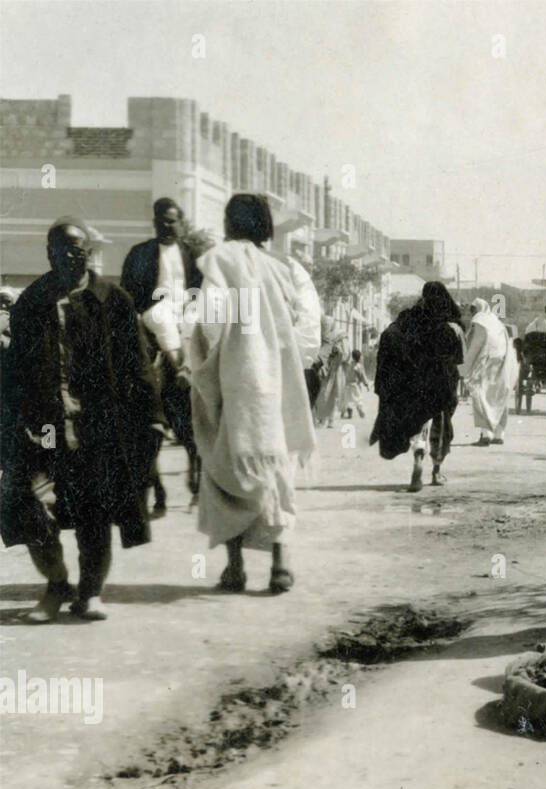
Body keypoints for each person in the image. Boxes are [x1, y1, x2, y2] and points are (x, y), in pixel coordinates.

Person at [0, 217, 163, 622]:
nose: (68, 256)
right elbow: (13, 369)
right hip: (45, 427)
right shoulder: (32, 302)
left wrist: (153, 416)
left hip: (98, 425)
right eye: (59, 249)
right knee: (29, 506)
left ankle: (90, 592)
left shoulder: (113, 299)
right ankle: (56, 586)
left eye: (76, 248)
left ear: (89, 251)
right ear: (49, 254)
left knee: (95, 512)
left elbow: (138, 363)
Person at [189, 194, 317, 594]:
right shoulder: (284, 267)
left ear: (229, 224)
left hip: (236, 381)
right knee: (276, 471)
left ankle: (235, 568)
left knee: (225, 471)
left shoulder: (220, 260)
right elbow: (308, 325)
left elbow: (210, 321)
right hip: (277, 384)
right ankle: (281, 565)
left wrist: (202, 365)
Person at [120, 197, 205, 514]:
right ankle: (179, 367)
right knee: (162, 319)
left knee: (196, 327)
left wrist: (193, 307)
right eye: (162, 220)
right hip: (153, 313)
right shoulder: (140, 253)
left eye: (172, 220)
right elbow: (129, 291)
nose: (167, 226)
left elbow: (201, 288)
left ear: (181, 222)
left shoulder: (192, 254)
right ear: (155, 222)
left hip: (186, 312)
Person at [371, 281, 465, 491]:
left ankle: (418, 460)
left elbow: (389, 337)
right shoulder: (452, 324)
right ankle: (436, 470)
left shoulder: (410, 319)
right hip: (443, 384)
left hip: (416, 383)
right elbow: (459, 359)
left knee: (420, 424)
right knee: (441, 427)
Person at [460, 297, 518, 445]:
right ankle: (499, 434)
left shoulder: (479, 321)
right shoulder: (497, 322)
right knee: (499, 397)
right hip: (501, 364)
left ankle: (486, 435)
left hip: (485, 364)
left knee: (480, 395)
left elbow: (475, 346)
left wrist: (464, 366)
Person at [313, 342, 347, 427]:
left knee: (333, 400)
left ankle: (330, 421)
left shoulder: (339, 361)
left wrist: (337, 346)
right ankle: (324, 420)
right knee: (325, 399)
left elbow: (342, 354)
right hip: (328, 380)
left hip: (335, 381)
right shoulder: (330, 359)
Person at [341, 349, 370, 419]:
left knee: (347, 400)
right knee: (358, 399)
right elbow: (362, 376)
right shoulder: (359, 366)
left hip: (347, 385)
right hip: (355, 385)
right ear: (359, 358)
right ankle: (360, 409)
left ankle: (349, 414)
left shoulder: (350, 364)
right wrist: (366, 384)